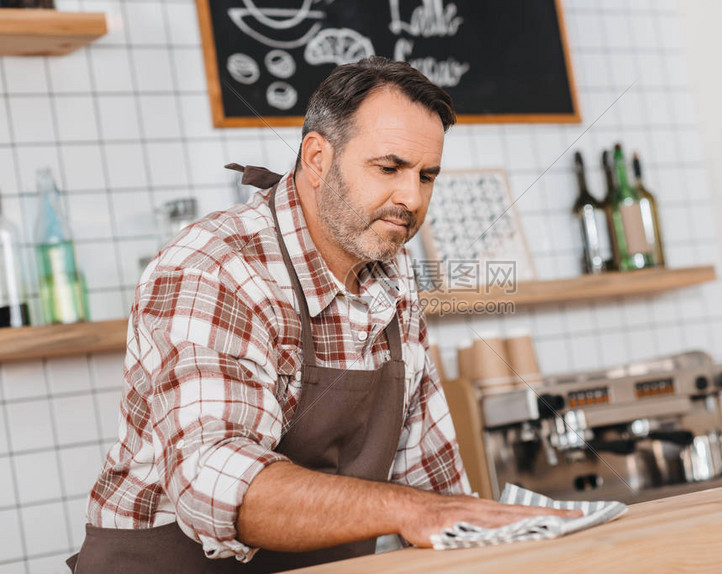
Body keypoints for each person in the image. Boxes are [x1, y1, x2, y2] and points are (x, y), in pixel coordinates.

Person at [69, 57, 580, 573]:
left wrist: (476, 539)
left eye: (427, 176)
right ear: (316, 158)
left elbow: (430, 476)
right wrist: (413, 511)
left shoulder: (390, 275)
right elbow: (212, 481)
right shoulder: (216, 267)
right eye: (389, 168)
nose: (412, 197)